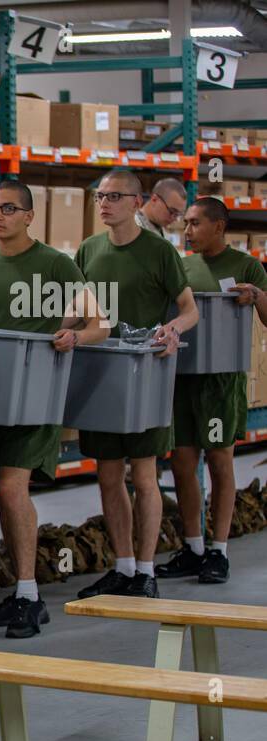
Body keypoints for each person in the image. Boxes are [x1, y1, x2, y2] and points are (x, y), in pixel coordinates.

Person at [0, 181, 108, 638]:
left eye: (8, 208)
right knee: (3, 492)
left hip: (38, 395)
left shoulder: (56, 264)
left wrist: (74, 336)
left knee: (12, 487)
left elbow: (99, 322)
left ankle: (29, 595)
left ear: (28, 216)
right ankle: (21, 590)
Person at [74, 169, 198, 599]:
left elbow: (189, 309)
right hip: (101, 372)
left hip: (145, 373)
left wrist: (172, 330)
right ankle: (123, 566)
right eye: (99, 197)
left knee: (144, 473)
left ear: (135, 202)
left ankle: (146, 570)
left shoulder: (159, 252)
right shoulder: (88, 250)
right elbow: (78, 309)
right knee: (108, 474)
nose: (104, 203)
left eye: (113, 197)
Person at [156, 197, 267, 584]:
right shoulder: (181, 265)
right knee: (183, 464)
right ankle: (193, 547)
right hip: (184, 377)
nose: (187, 231)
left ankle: (218, 551)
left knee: (220, 463)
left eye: (195, 223)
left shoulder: (246, 266)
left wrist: (258, 296)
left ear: (219, 227)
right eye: (184, 223)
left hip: (221, 382)